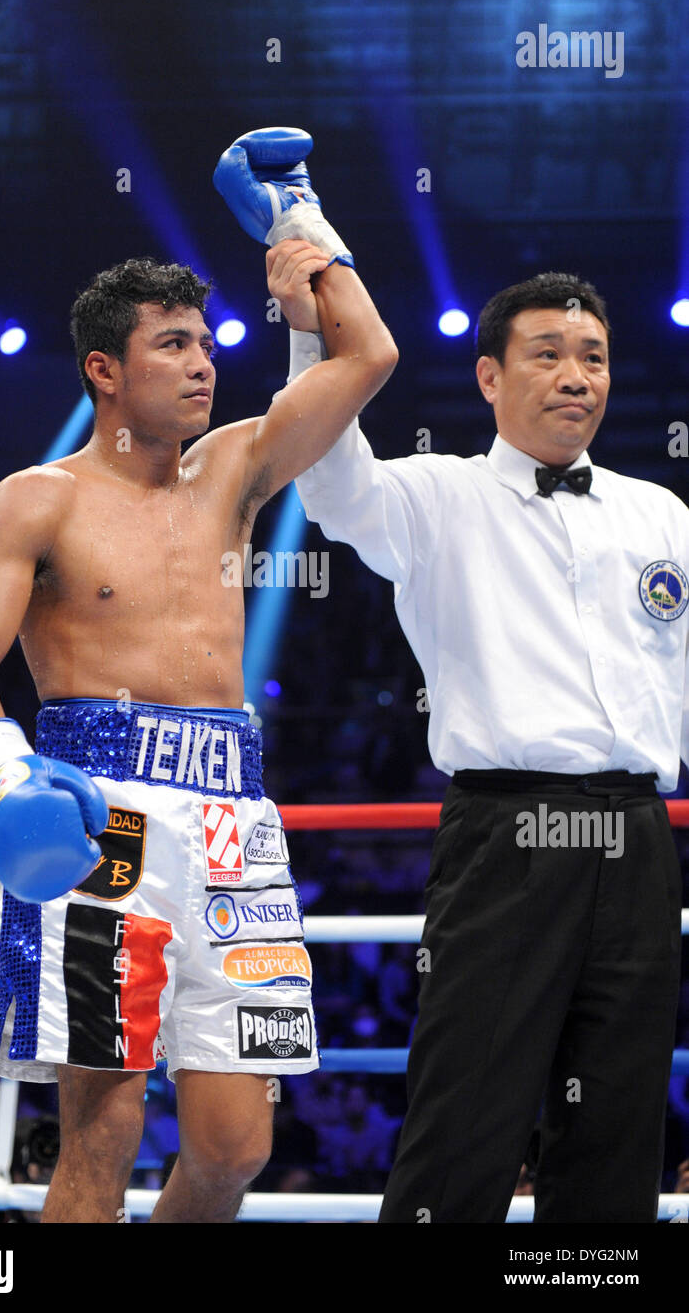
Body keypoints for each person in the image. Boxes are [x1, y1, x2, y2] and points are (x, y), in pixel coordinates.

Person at [0, 126, 397, 1224]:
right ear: (104, 368)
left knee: (238, 1144)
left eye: (206, 343)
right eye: (173, 346)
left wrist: (298, 228)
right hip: (106, 816)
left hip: (235, 813)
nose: (202, 363)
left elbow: (365, 357)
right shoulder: (33, 499)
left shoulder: (230, 468)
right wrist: (5, 774)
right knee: (103, 1124)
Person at [293, 271, 689, 1222]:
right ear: (487, 377)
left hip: (638, 835)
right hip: (509, 833)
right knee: (466, 1117)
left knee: (615, 1132)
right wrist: (313, 331)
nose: (574, 377)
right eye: (546, 355)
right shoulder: (436, 496)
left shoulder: (661, 515)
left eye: (591, 358)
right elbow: (327, 479)